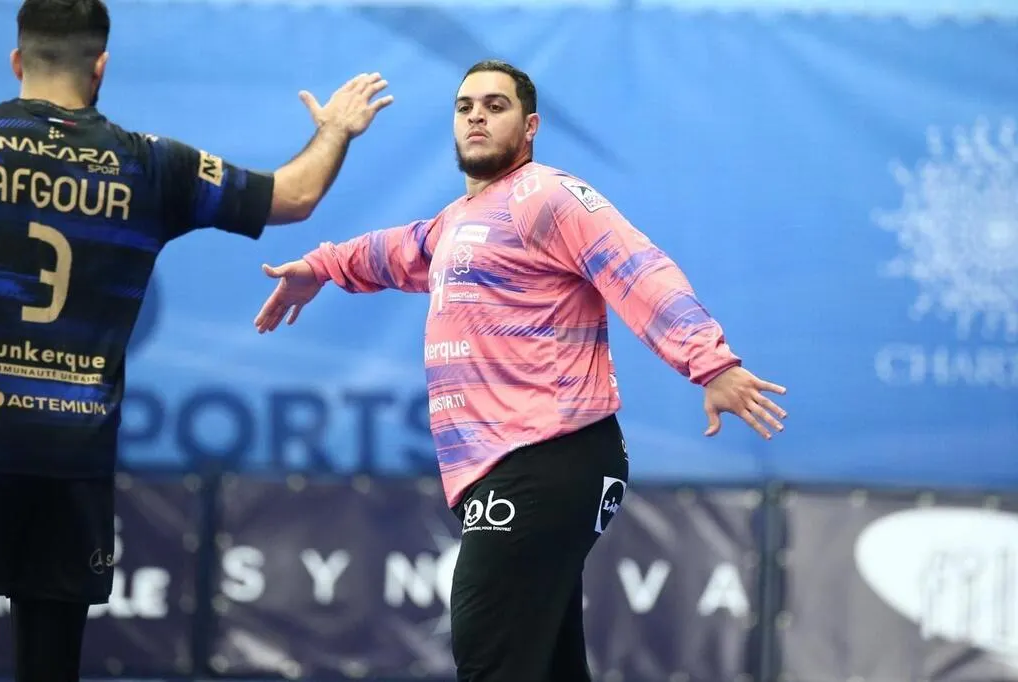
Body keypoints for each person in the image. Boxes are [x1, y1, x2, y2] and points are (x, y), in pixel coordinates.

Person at [254, 59, 787, 681]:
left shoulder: (546, 197)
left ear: (529, 126)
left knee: (491, 656)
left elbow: (636, 268)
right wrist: (319, 267)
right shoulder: (460, 222)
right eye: (465, 106)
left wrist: (709, 362)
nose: (476, 114)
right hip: (515, 467)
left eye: (495, 105)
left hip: (548, 458)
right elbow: (396, 251)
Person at [0, 0, 393, 679]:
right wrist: (334, 131)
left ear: (16, 59)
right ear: (101, 67)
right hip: (69, 456)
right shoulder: (150, 165)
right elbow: (293, 196)